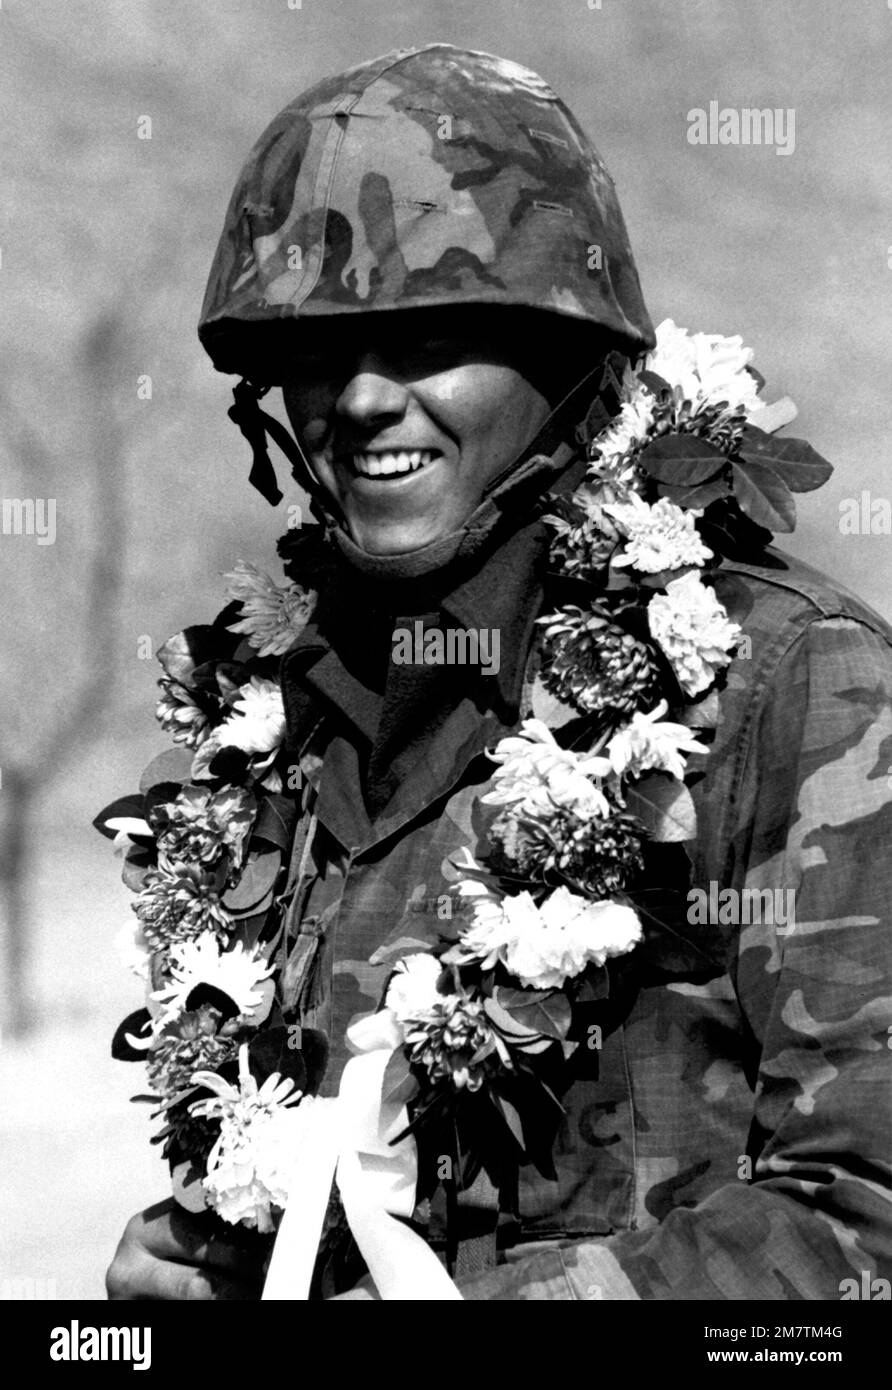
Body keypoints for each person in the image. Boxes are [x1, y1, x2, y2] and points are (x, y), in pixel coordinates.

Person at [106, 44, 892, 1301]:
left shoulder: (788, 685)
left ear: (565, 358)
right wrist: (218, 1272)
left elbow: (867, 1230)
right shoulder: (278, 721)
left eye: (428, 338)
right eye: (318, 349)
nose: (363, 399)